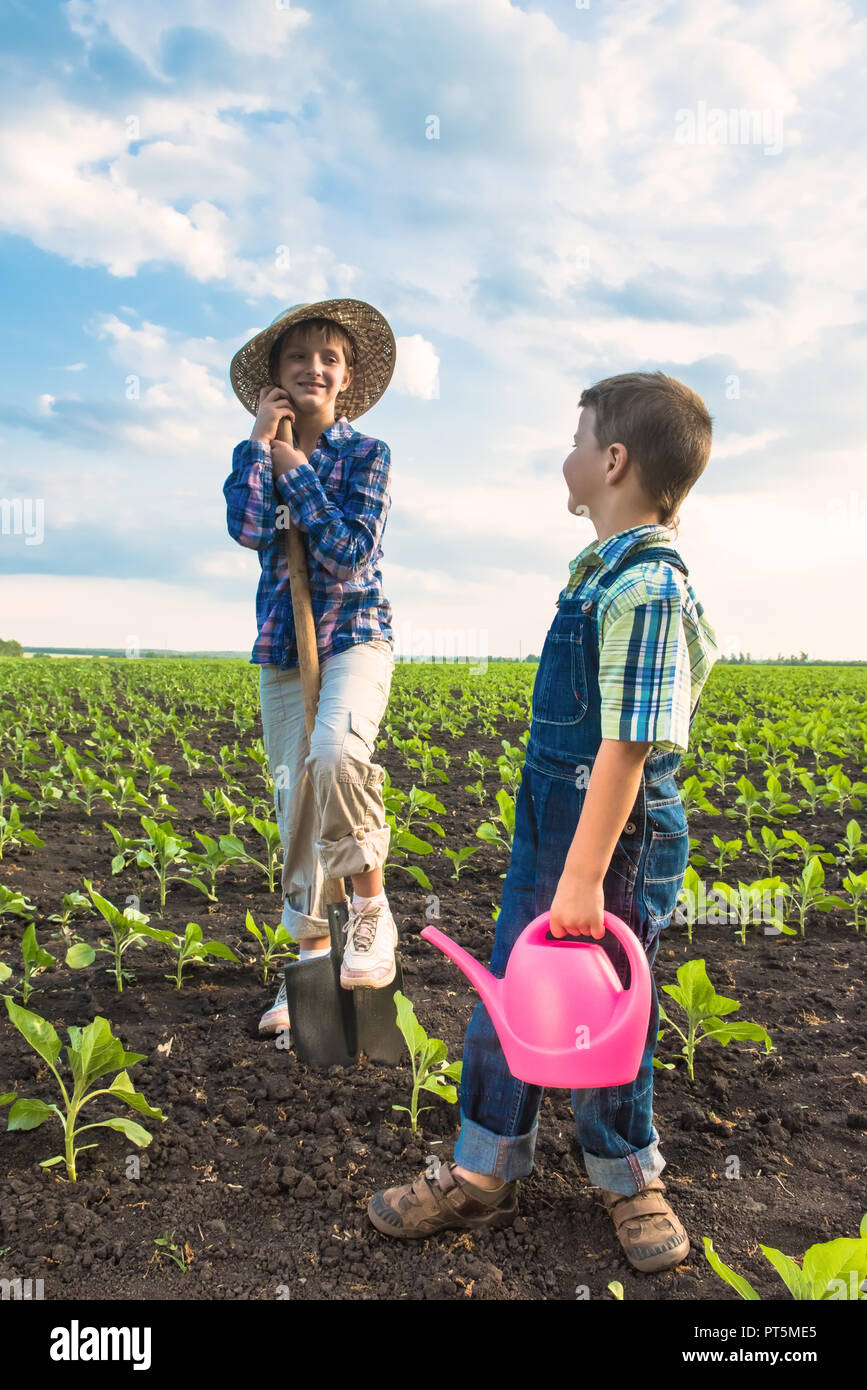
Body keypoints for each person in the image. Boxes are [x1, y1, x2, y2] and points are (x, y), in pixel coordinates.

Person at [368, 371, 720, 1274]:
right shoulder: (597, 576)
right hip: (557, 833)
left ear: (611, 461)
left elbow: (629, 745)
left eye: (577, 438)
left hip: (612, 841)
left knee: (609, 1010)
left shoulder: (646, 587)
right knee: (508, 994)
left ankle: (629, 1175)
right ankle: (482, 1170)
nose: (564, 454)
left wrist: (582, 874)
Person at [224, 299, 399, 1035]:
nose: (313, 369)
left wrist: (297, 470)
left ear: (346, 377)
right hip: (283, 651)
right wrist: (264, 449)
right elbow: (248, 528)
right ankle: (311, 966)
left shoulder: (369, 454)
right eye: (297, 359)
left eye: (327, 358)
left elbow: (349, 550)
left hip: (353, 635)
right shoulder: (252, 454)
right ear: (275, 379)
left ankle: (369, 912)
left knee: (335, 756)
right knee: (297, 802)